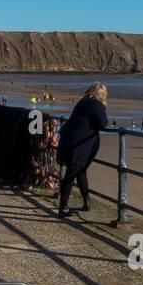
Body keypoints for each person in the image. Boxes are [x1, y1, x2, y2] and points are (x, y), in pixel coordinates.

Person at [55, 82, 109, 218]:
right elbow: (103, 123)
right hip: (79, 145)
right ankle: (63, 208)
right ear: (102, 94)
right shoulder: (97, 105)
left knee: (80, 170)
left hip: (70, 140)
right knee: (71, 174)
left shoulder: (83, 102)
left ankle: (86, 202)